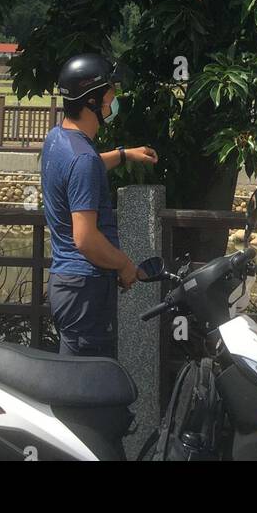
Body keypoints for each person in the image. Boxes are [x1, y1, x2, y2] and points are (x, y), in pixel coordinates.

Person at [40, 53, 158, 358]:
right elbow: (86, 239)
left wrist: (123, 154)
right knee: (88, 390)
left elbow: (82, 169)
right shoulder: (83, 160)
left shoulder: (57, 139)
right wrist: (124, 265)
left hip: (67, 284)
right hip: (86, 290)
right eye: (110, 93)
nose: (114, 99)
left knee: (79, 387)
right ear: (93, 101)